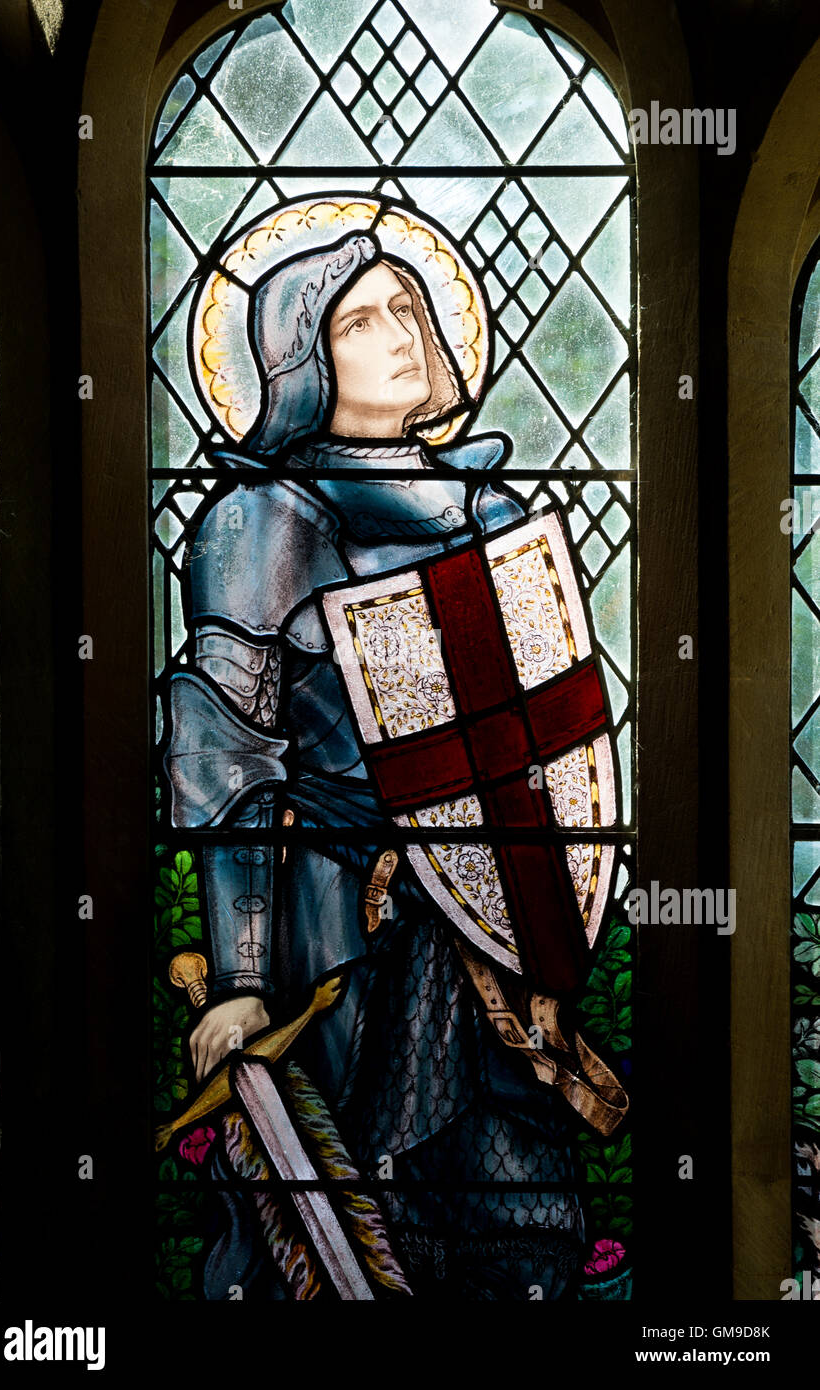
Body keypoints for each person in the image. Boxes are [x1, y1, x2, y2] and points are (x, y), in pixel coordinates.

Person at [164, 226, 611, 1299]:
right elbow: (227, 764)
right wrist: (236, 980)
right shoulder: (265, 517)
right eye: (358, 320)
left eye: (407, 310)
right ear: (297, 363)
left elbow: (555, 743)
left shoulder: (492, 512)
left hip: (503, 913)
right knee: (370, 1207)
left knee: (520, 1216)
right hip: (347, 921)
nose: (397, 336)